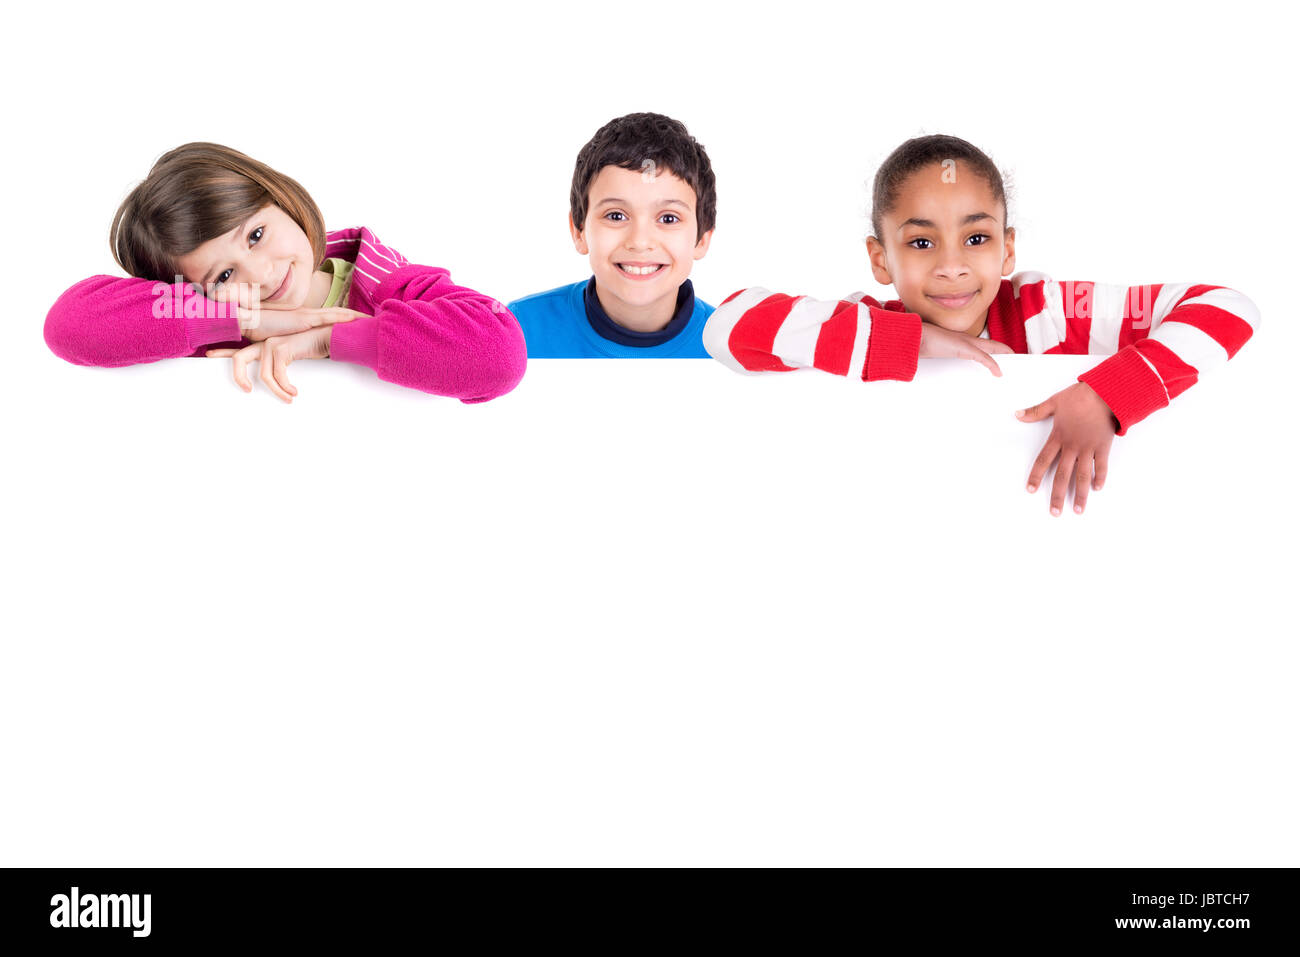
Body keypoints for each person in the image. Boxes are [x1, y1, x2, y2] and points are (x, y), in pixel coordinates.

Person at [702, 134, 1260, 516]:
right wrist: (913, 340)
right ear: (880, 259)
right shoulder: (863, 324)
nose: (952, 265)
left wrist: (1105, 395)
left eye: (977, 238)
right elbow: (726, 327)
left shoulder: (1047, 313)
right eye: (921, 243)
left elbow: (1227, 307)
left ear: (1008, 247)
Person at [44, 142, 526, 404]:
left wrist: (323, 339)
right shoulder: (211, 325)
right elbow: (71, 326)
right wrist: (250, 323)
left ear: (282, 200)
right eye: (224, 276)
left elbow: (500, 354)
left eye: (255, 235)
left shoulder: (385, 284)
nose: (260, 273)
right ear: (192, 291)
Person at [507, 113, 716, 357]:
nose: (639, 242)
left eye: (668, 218)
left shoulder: (729, 350)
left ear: (701, 239)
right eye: (616, 216)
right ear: (578, 230)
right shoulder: (519, 332)